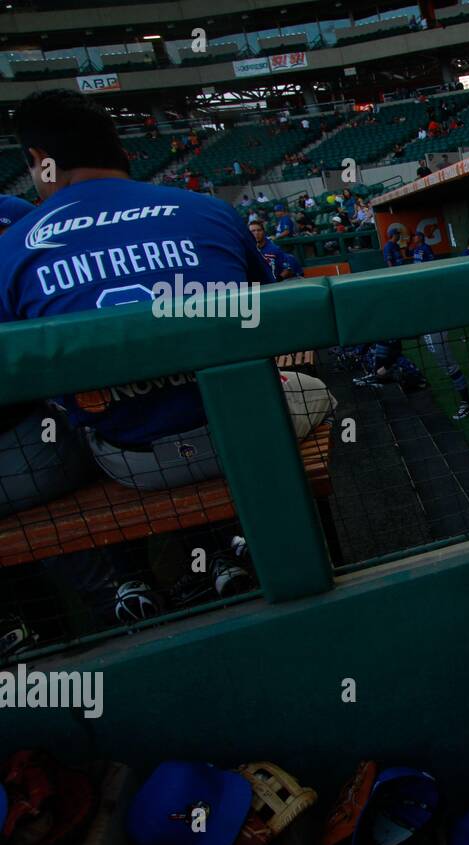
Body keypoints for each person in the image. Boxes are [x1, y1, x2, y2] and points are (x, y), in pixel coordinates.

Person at [0, 90, 272, 622]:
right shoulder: (210, 210)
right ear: (120, 151)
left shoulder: (14, 247)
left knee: (62, 421)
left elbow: (21, 379)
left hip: (130, 461)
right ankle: (267, 542)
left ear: (40, 159)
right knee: (310, 387)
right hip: (242, 434)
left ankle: (134, 581)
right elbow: (269, 319)